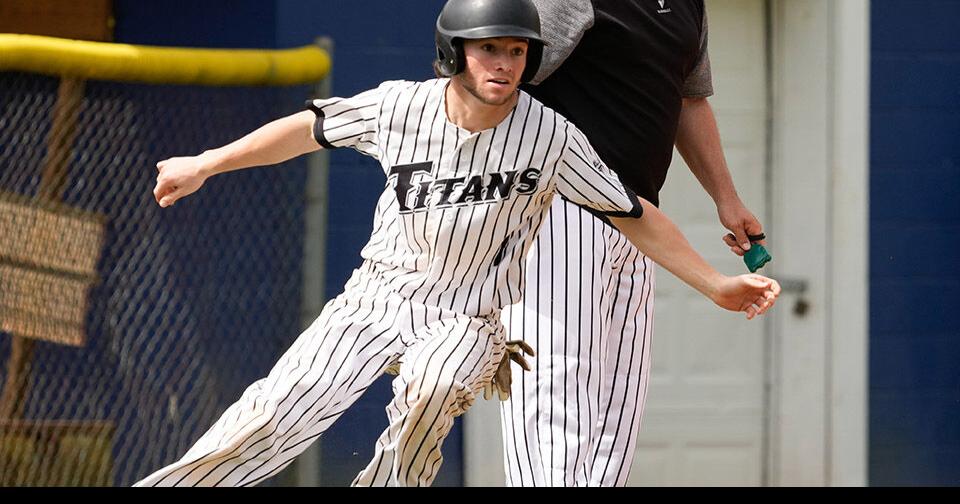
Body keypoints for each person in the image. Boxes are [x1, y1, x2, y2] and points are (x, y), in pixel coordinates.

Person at [134, 0, 778, 487]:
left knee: (453, 389)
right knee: (271, 418)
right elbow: (306, 128)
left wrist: (715, 277)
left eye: (516, 53)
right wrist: (207, 163)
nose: (504, 64)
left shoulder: (552, 138)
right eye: (488, 50)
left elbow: (634, 207)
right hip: (378, 299)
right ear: (455, 54)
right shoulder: (404, 108)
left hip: (469, 314)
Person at [497, 0, 769, 487]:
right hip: (557, 211)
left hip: (639, 218)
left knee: (616, 410)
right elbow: (494, 76)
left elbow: (690, 100)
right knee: (555, 391)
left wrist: (726, 198)